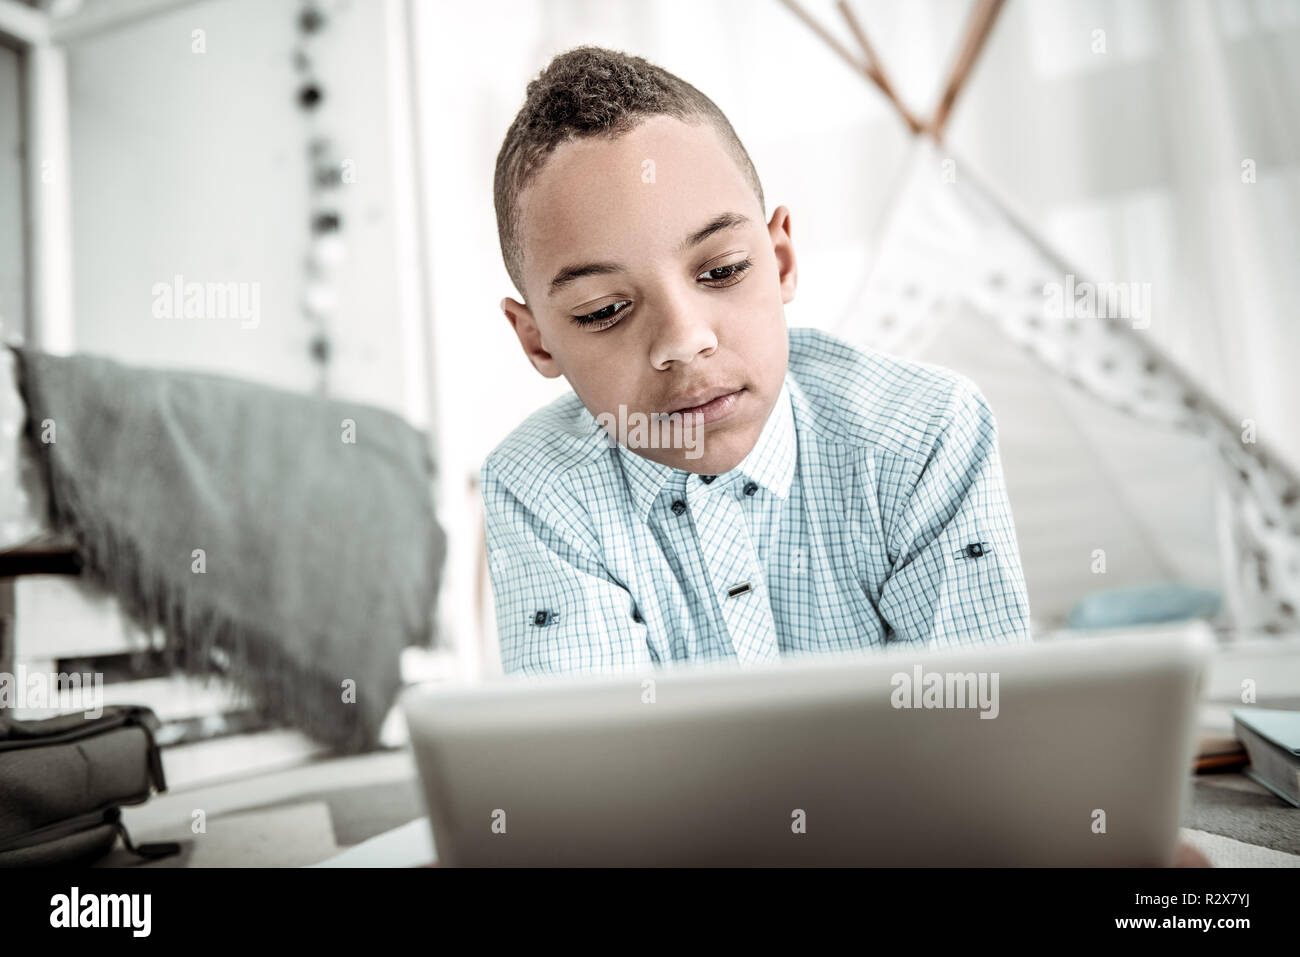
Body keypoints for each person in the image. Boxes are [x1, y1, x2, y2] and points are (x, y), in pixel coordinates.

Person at [482, 45, 1031, 676]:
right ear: (537, 342)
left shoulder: (927, 434)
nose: (685, 340)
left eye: (722, 271)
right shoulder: (539, 491)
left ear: (781, 262)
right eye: (604, 310)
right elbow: (594, 764)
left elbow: (981, 736)